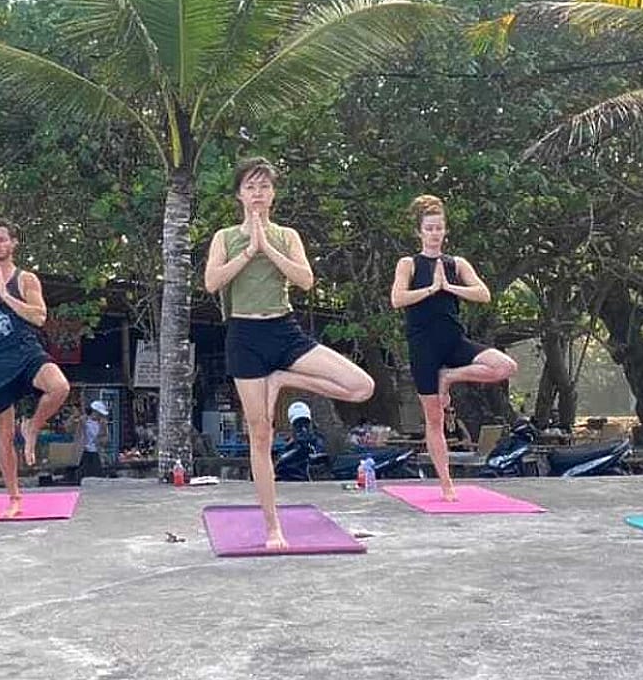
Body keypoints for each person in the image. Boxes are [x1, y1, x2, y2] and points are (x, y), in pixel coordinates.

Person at [204, 157, 374, 550]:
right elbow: (212, 283)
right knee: (260, 434)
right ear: (239, 195)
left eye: (264, 187)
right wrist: (249, 251)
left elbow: (305, 280)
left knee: (361, 386)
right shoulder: (225, 237)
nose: (258, 194)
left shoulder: (287, 236)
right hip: (244, 335)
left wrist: (268, 247)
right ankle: (272, 527)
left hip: (284, 331)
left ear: (273, 193)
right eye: (250, 187)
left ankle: (284, 377)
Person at [390, 194, 517, 502]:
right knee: (433, 419)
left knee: (505, 366)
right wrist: (431, 289)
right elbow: (397, 299)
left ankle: (451, 376)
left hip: (454, 341)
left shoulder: (456, 264)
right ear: (420, 232)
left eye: (439, 228)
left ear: (445, 232)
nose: (434, 233)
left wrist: (448, 287)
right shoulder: (409, 264)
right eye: (429, 228)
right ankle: (446, 484)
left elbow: (483, 293)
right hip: (423, 346)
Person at [0, 217, 71, 518]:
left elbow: (40, 316)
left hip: (25, 351)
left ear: (13, 243)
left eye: (3, 239)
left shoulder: (26, 279)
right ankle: (14, 495)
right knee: (3, 432)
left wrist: (6, 296)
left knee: (59, 387)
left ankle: (32, 425)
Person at [78, 400, 109, 478]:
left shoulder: (102, 424)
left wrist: (101, 440)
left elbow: (106, 439)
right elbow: (76, 434)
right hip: (84, 452)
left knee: (97, 475)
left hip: (97, 453)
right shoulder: (84, 421)